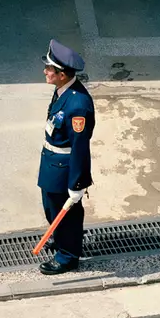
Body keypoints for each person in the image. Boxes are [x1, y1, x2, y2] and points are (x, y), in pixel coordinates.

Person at [37, 39, 95, 275]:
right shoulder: (63, 91)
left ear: (62, 74)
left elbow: (80, 147)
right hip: (52, 162)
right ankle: (60, 237)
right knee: (51, 208)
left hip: (64, 168)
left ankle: (68, 255)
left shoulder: (78, 105)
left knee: (67, 213)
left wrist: (77, 183)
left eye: (49, 69)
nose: (45, 71)